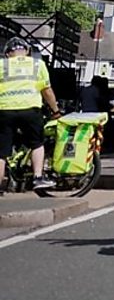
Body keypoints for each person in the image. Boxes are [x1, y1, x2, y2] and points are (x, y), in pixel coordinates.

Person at [0, 38, 60, 191]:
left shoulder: (1, 64)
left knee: (1, 152)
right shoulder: (37, 64)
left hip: (4, 110)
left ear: (7, 53)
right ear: (27, 51)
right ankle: (38, 178)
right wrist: (55, 111)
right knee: (37, 144)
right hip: (30, 109)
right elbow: (47, 90)